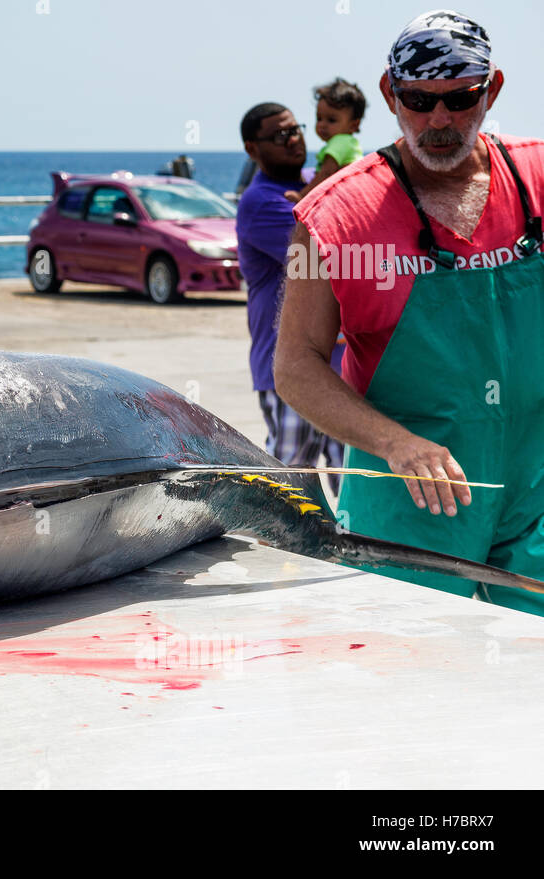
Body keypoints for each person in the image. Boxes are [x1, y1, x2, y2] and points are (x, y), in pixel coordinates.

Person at [273, 10, 544, 614]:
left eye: (461, 98)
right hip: (408, 504)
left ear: (492, 89)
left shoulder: (538, 177)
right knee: (405, 685)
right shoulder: (330, 221)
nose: (440, 120)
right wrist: (395, 443)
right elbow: (295, 366)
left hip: (537, 493)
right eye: (420, 100)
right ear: (390, 94)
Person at [237, 103, 344, 479]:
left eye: (295, 129)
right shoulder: (260, 202)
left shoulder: (311, 184)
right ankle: (276, 541)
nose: (293, 139)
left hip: (340, 363)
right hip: (289, 366)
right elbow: (330, 251)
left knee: (352, 478)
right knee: (292, 479)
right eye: (279, 135)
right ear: (253, 149)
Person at [285, 78, 367, 203]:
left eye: (331, 120)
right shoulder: (349, 142)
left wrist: (302, 197)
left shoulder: (339, 142)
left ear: (353, 125)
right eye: (319, 118)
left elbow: (326, 173)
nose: (322, 125)